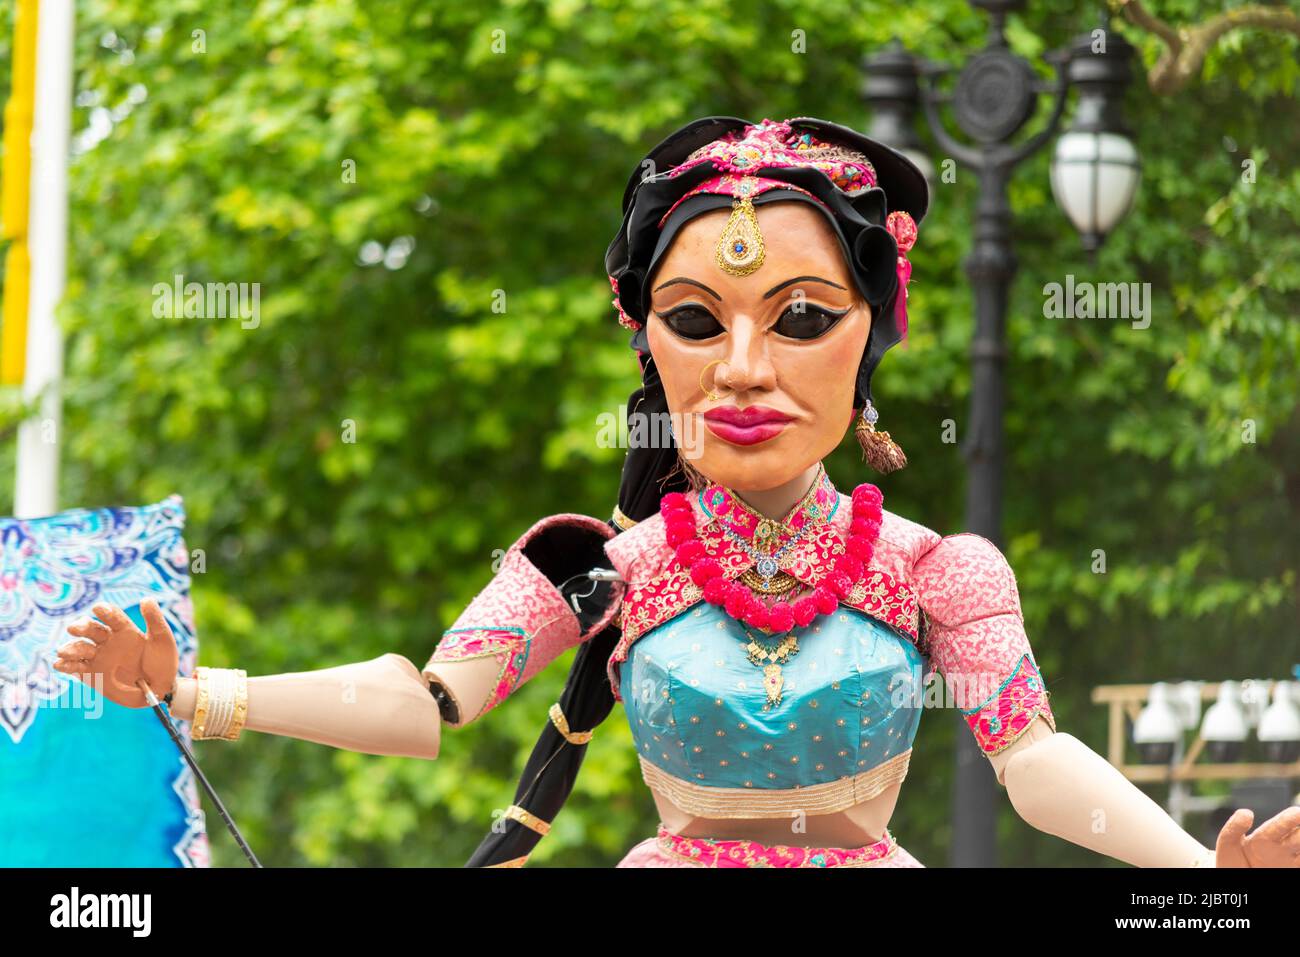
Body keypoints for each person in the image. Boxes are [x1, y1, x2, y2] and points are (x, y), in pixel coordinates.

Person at [55, 116, 1299, 869]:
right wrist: (192, 692)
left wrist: (1200, 871)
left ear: (871, 338)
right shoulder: (601, 566)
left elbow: (1030, 759)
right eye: (697, 322)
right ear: (648, 343)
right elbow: (428, 703)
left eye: (803, 320)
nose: (746, 369)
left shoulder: (940, 570)